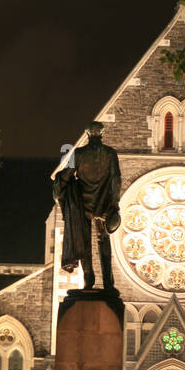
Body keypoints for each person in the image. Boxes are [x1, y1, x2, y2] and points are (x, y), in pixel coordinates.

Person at [52, 121, 121, 290]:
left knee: (84, 243)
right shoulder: (110, 154)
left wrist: (58, 185)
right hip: (103, 205)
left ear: (88, 135)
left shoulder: (79, 153)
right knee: (104, 242)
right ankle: (108, 282)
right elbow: (116, 179)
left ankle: (88, 279)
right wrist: (114, 203)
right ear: (102, 135)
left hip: (83, 205)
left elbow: (66, 176)